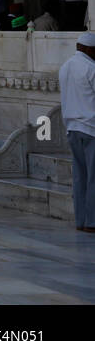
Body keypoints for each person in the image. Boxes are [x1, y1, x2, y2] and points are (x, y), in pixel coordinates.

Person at [58, 33, 95, 232]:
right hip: (91, 128)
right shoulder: (91, 68)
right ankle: (92, 222)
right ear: (89, 49)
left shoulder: (65, 67)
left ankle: (81, 221)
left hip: (72, 128)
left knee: (80, 176)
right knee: (93, 177)